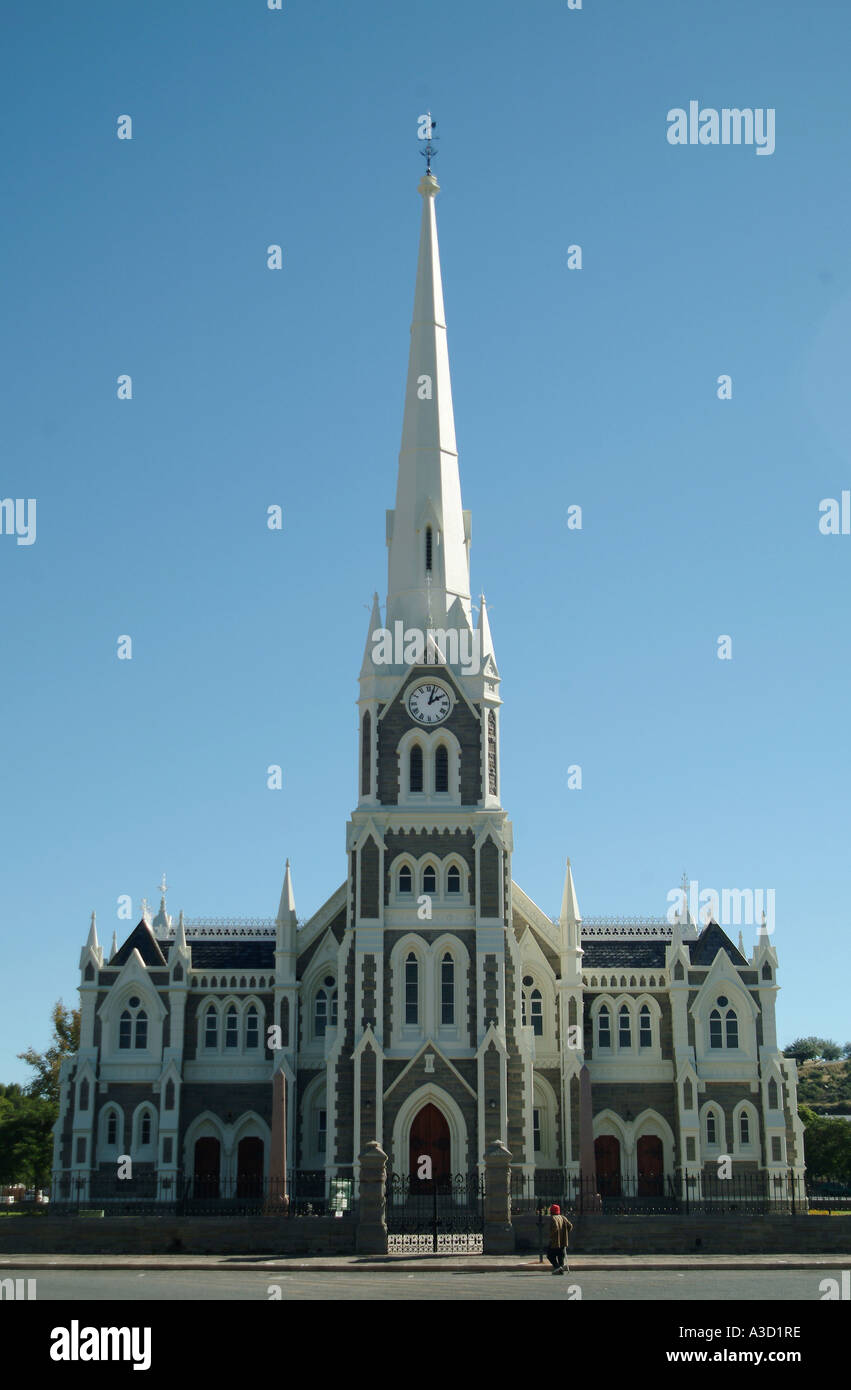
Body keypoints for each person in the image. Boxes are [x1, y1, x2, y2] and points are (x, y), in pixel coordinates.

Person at [546, 1203, 573, 1274]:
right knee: (560, 1256)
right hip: (563, 1241)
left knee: (550, 1255)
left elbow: (554, 1228)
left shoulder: (553, 1218)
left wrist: (551, 1236)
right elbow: (570, 1226)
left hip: (555, 1242)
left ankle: (557, 1267)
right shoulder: (563, 1217)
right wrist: (565, 1234)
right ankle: (561, 1269)